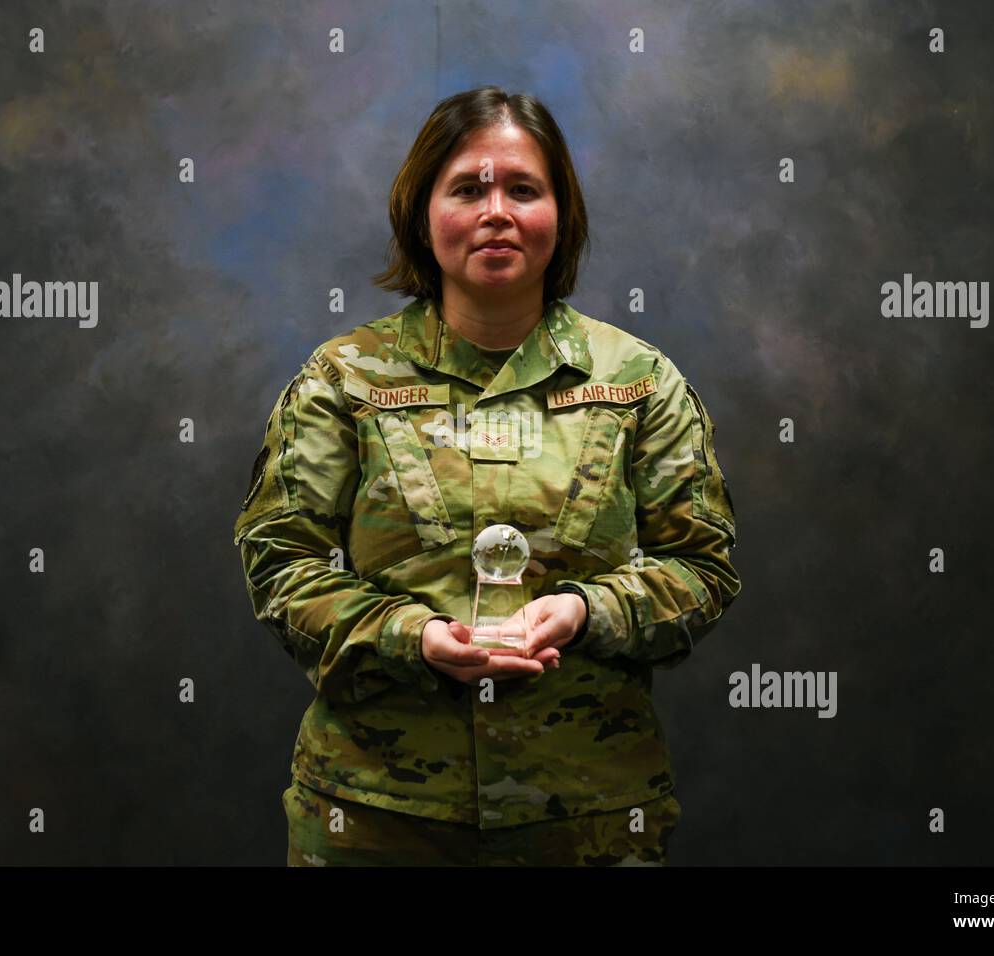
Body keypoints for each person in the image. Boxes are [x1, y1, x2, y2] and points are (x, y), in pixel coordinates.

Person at [233, 86, 741, 866]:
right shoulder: (346, 379)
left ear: (560, 215)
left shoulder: (639, 381)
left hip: (586, 817)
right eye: (468, 187)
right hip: (380, 818)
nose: (496, 210)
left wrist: (585, 609)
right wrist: (413, 636)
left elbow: (702, 569)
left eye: (523, 189)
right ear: (421, 213)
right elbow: (281, 565)